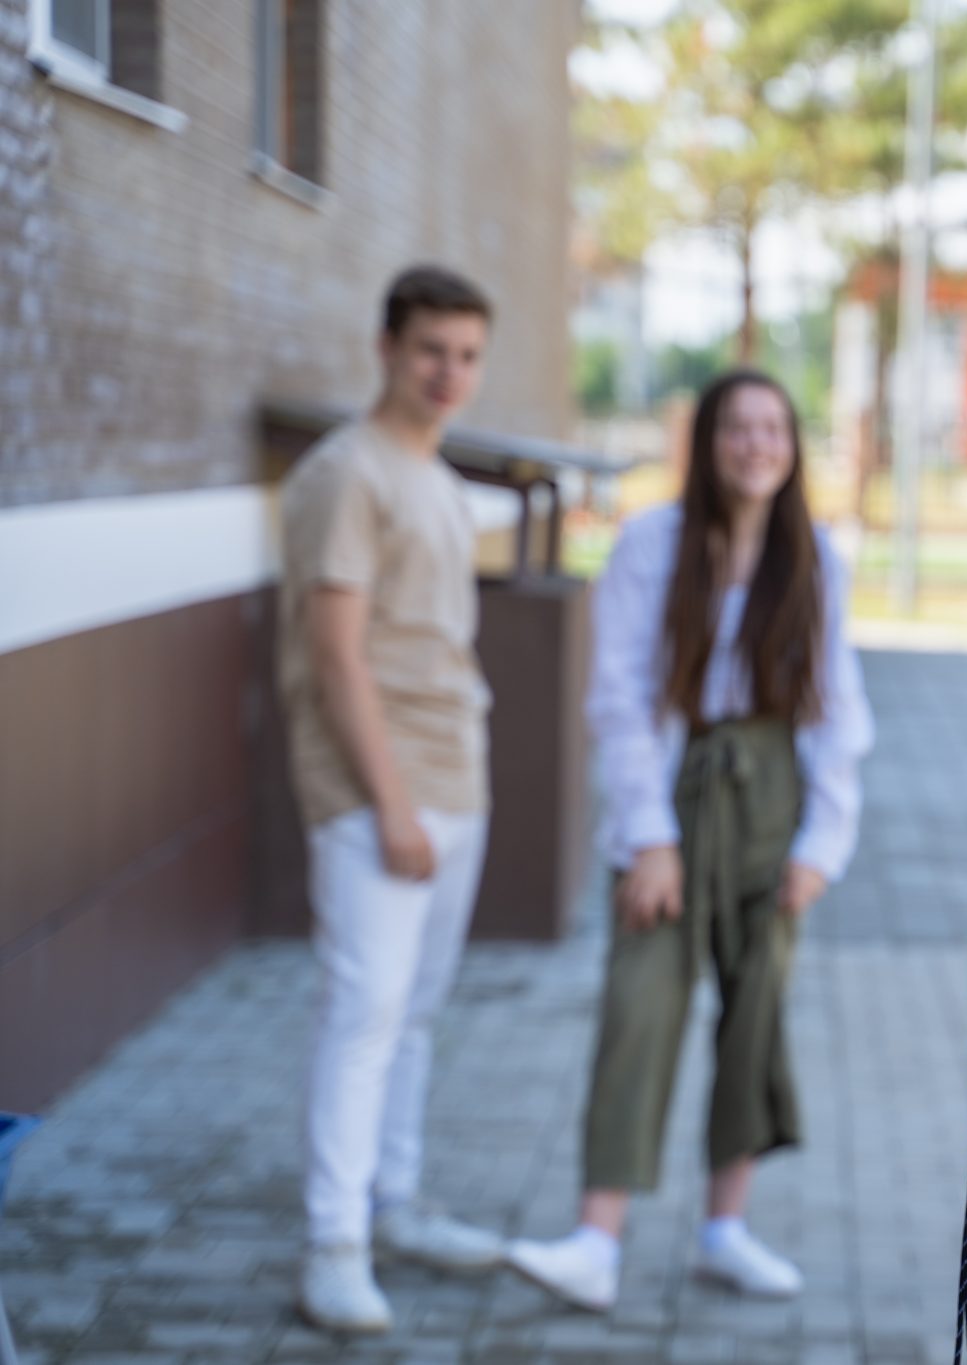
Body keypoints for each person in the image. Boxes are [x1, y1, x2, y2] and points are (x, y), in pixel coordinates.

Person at [506, 369, 873, 1314]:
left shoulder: (816, 556)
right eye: (737, 427)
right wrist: (649, 838)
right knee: (640, 1004)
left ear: (792, 448)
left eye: (773, 428)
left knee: (754, 1016)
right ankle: (597, 1238)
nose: (756, 444)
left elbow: (835, 706)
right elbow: (619, 698)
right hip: (677, 789)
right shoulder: (650, 544)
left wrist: (821, 843)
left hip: (773, 798)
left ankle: (724, 1230)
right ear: (707, 441)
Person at [278, 265, 507, 1333]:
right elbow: (334, 660)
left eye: (465, 355)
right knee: (363, 1014)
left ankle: (394, 1203)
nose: (447, 373)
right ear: (385, 347)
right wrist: (392, 804)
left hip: (453, 775)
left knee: (413, 1014)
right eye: (430, 351)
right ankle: (332, 1247)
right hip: (380, 791)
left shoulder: (436, 475)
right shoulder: (345, 473)